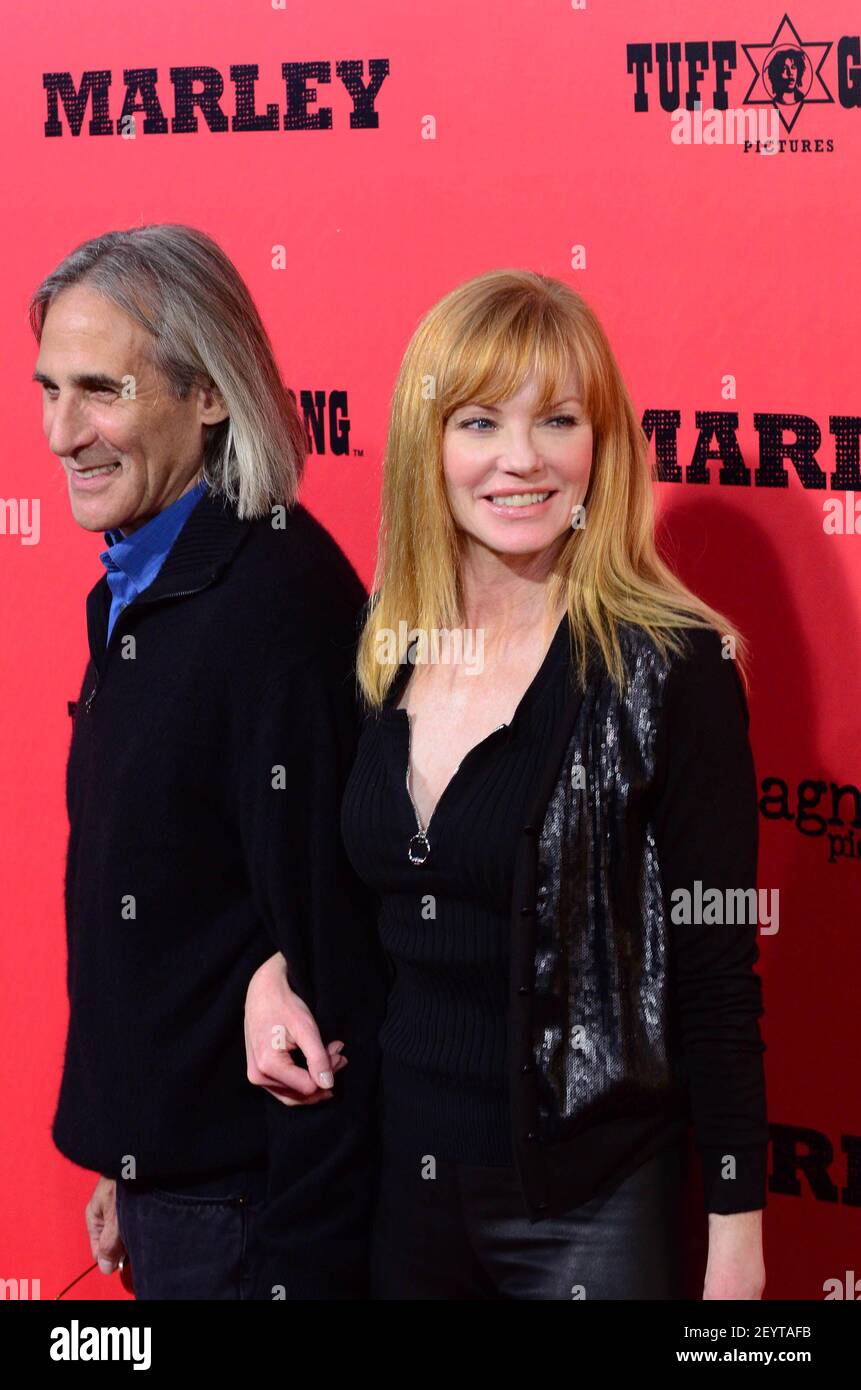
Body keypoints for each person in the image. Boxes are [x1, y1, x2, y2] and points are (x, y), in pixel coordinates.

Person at [244, 268, 769, 1300]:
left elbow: (716, 980)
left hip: (595, 1212)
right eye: (480, 421)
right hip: (401, 1189)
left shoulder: (672, 669)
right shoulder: (382, 650)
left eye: (558, 420)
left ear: (600, 447)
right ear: (426, 447)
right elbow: (343, 898)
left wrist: (736, 1245)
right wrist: (270, 970)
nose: (520, 459)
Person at [32, 223, 387, 1300]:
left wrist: (292, 1263)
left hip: (253, 1225)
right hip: (179, 1199)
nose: (60, 433)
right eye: (47, 388)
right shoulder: (147, 580)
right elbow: (182, 906)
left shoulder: (275, 606)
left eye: (102, 390)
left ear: (210, 395)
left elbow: (337, 968)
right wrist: (131, 1155)